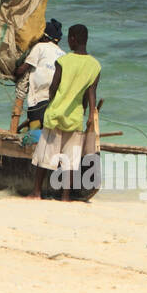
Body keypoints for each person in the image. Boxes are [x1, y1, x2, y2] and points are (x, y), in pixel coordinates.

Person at [28, 24, 100, 201]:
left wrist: (52, 101)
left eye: (69, 38)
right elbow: (91, 93)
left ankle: (37, 192)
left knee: (44, 156)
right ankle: (65, 196)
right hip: (75, 118)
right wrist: (90, 114)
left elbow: (53, 88)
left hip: (55, 115)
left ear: (73, 39)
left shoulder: (63, 61)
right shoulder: (95, 65)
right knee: (70, 161)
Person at [12, 18, 64, 139]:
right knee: (47, 133)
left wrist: (13, 72)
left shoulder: (40, 47)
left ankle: (32, 147)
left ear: (45, 37)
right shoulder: (63, 54)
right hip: (56, 102)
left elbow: (23, 68)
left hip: (39, 101)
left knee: (35, 133)